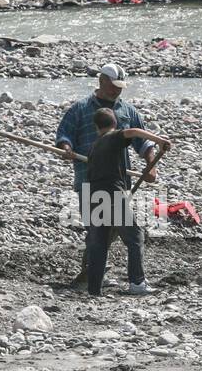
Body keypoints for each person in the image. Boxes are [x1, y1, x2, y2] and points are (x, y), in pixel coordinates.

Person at [55, 62, 160, 284]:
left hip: (117, 182)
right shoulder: (81, 109)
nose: (116, 90)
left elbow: (143, 144)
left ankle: (92, 276)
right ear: (101, 81)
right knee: (97, 230)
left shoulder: (128, 111)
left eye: (120, 87)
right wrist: (66, 148)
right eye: (113, 85)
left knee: (109, 230)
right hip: (87, 180)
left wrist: (151, 164)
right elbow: (64, 134)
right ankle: (93, 275)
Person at [83, 107, 172, 297]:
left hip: (92, 195)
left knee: (99, 243)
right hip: (111, 195)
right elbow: (134, 132)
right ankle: (137, 283)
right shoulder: (112, 137)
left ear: (96, 126)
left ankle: (93, 290)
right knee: (135, 237)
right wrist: (160, 141)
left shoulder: (94, 146)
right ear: (114, 123)